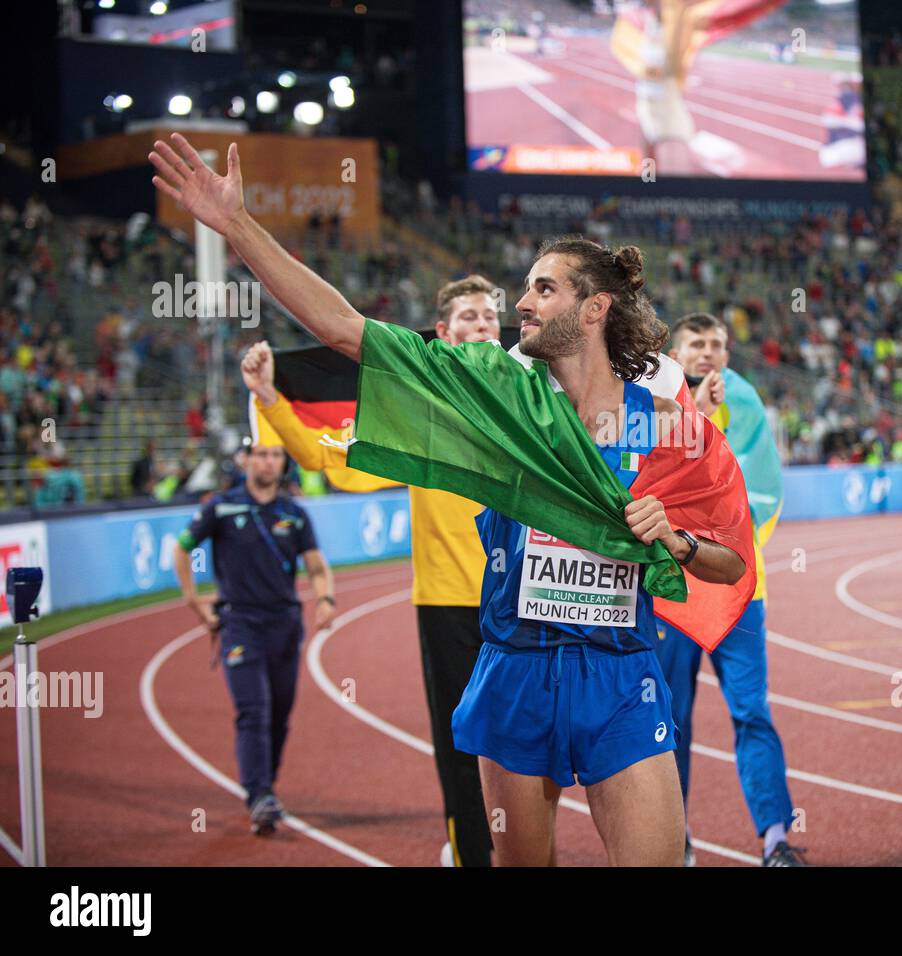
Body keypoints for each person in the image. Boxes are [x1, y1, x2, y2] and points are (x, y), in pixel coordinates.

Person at [149, 132, 751, 866]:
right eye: (523, 289)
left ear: (594, 309)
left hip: (620, 674)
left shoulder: (663, 424)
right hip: (515, 673)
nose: (520, 304)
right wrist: (236, 224)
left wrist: (678, 541)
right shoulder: (492, 397)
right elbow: (345, 329)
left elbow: (728, 565)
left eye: (543, 289)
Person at [240, 274, 501, 868]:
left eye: (490, 316)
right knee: (462, 749)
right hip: (448, 603)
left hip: (523, 601)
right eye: (468, 317)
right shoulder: (415, 416)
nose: (481, 325)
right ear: (442, 333)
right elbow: (328, 460)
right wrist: (268, 398)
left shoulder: (532, 398)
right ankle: (475, 859)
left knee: (527, 747)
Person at [655, 313, 803, 866]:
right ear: (677, 349)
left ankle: (775, 838)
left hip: (738, 590)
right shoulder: (651, 392)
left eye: (717, 344)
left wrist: (728, 555)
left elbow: (763, 494)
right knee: (669, 718)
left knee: (752, 712)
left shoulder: (746, 402)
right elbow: (650, 481)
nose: (708, 353)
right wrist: (698, 409)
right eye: (696, 343)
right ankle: (675, 838)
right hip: (673, 591)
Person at [173, 440, 334, 835]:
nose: (268, 461)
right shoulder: (220, 507)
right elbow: (182, 548)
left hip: (285, 626)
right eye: (261, 454)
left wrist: (325, 598)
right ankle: (259, 794)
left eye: (276, 455)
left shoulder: (293, 514)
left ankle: (266, 785)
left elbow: (315, 566)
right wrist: (194, 600)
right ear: (247, 460)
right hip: (241, 625)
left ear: (282, 464)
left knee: (280, 714)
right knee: (254, 711)